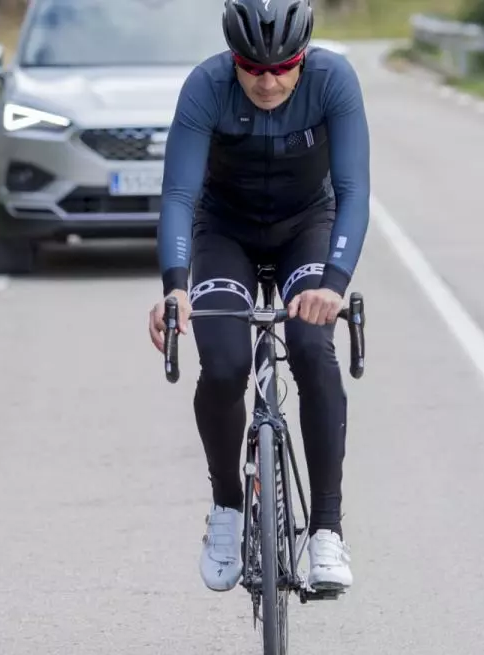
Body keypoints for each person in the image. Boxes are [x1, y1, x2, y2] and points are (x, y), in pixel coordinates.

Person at [147, 0, 369, 595]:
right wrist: (174, 286)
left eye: (283, 66)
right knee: (222, 365)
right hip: (225, 231)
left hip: (307, 228)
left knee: (311, 349)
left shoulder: (333, 80)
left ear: (304, 58)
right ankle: (226, 508)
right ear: (232, 59)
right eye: (252, 67)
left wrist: (335, 283)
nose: (267, 81)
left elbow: (352, 189)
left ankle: (326, 528)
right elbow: (177, 194)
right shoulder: (205, 87)